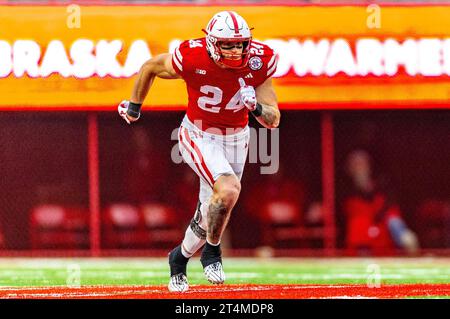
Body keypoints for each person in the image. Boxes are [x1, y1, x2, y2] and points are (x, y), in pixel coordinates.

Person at [118, 11, 280, 292]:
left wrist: (254, 107)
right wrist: (134, 106)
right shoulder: (192, 56)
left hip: (237, 137)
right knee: (229, 190)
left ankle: (178, 259)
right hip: (199, 133)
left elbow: (272, 120)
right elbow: (151, 66)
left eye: (240, 44)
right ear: (212, 44)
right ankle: (212, 253)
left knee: (212, 211)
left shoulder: (259, 60)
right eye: (228, 45)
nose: (236, 51)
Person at [341, 149, 419, 256]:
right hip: (360, 239)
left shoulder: (381, 187)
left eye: (362, 163)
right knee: (360, 225)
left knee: (396, 224)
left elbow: (390, 211)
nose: (360, 167)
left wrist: (401, 232)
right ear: (349, 168)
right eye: (356, 164)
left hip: (382, 235)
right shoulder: (345, 191)